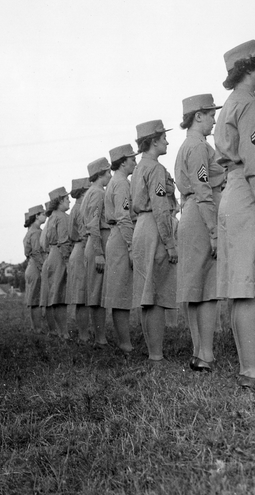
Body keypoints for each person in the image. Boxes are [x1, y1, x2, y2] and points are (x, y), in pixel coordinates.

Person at [214, 40, 255, 388]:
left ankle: (247, 368)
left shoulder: (229, 106)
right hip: (249, 194)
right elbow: (254, 163)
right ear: (248, 67)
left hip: (232, 194)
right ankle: (251, 370)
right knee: (249, 286)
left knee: (241, 286)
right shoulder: (251, 104)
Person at [175, 94, 224, 372]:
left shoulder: (189, 145)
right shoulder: (198, 146)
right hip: (201, 214)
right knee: (206, 287)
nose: (214, 119)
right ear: (198, 116)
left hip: (192, 213)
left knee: (195, 286)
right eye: (210, 114)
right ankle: (205, 354)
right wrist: (214, 230)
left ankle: (199, 352)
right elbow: (204, 190)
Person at [131, 119, 178, 362]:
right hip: (155, 228)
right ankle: (156, 355)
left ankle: (153, 353)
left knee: (147, 295)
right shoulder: (156, 169)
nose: (167, 141)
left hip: (142, 227)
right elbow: (161, 209)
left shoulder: (139, 168)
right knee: (157, 294)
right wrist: (170, 243)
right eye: (163, 138)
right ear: (153, 142)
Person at [103, 144, 138, 354]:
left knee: (119, 292)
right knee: (121, 293)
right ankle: (125, 344)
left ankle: (124, 342)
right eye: (132, 159)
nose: (135, 162)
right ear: (123, 161)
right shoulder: (122, 183)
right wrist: (132, 246)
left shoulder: (115, 182)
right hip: (121, 237)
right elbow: (124, 217)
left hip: (116, 236)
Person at [82, 158, 112, 346]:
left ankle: (100, 337)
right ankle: (100, 339)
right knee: (97, 294)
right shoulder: (97, 193)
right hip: (97, 243)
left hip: (95, 243)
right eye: (108, 172)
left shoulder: (90, 192)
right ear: (101, 174)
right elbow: (93, 225)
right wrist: (99, 252)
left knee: (97, 292)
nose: (110, 175)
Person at [41, 187, 72, 339]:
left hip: (51, 255)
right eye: (67, 199)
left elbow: (44, 242)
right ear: (60, 201)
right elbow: (64, 241)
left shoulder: (51, 217)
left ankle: (60, 331)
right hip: (60, 255)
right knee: (60, 296)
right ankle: (64, 333)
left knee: (55, 295)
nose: (69, 201)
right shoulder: (63, 217)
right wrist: (67, 261)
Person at [66, 178, 90, 342]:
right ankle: (84, 335)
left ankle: (84, 333)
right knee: (83, 296)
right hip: (82, 248)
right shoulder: (82, 208)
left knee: (82, 296)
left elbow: (71, 234)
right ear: (83, 192)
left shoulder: (75, 208)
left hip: (77, 248)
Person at [23, 204, 47, 333]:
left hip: (31, 267)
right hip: (36, 268)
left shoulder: (30, 231)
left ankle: (35, 328)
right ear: (37, 216)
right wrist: (43, 268)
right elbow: (36, 252)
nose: (45, 216)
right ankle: (37, 329)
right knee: (36, 300)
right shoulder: (37, 232)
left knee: (34, 299)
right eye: (43, 214)